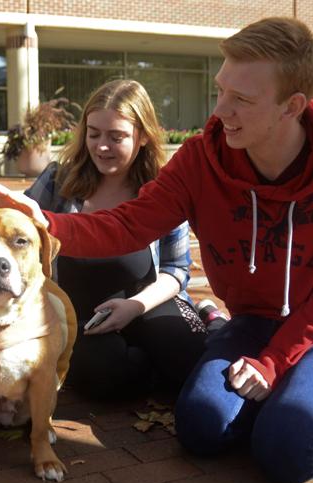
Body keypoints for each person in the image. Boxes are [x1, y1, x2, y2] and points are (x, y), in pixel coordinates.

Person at [0, 17, 313, 483]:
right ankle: (290, 402)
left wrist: (273, 363)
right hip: (253, 320)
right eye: (220, 90)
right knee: (201, 428)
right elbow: (127, 225)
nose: (221, 109)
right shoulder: (202, 159)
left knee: (288, 451)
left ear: (292, 106)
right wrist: (45, 221)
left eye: (242, 99)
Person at [24, 80, 208, 399]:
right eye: (93, 134)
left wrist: (134, 307)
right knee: (106, 375)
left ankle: (205, 323)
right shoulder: (58, 180)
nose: (101, 146)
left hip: (145, 303)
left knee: (187, 358)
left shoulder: (163, 188)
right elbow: (19, 234)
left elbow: (177, 271)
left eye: (116, 136)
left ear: (143, 137)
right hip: (81, 316)